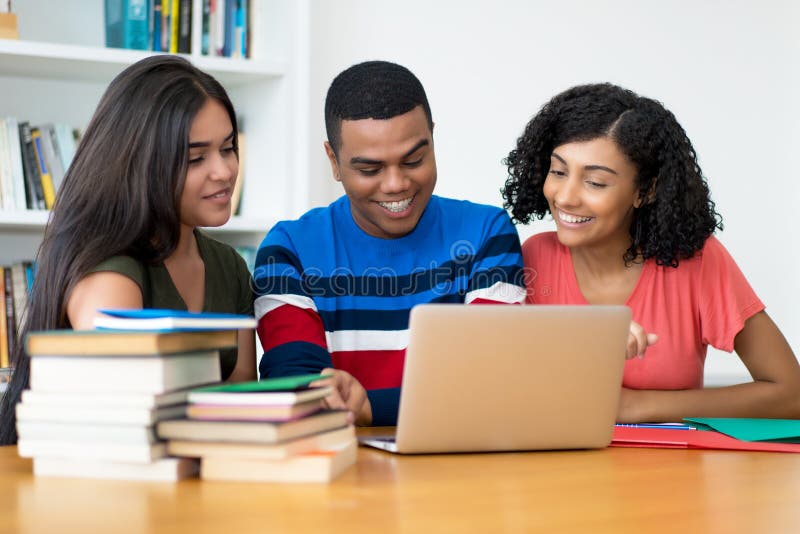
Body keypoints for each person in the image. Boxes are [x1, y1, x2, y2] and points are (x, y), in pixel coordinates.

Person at [502, 82, 800, 422]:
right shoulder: (534, 257)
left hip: (670, 471)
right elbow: (512, 388)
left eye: (595, 182)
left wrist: (634, 406)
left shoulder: (698, 261)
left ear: (645, 191)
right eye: (558, 171)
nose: (566, 197)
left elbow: (790, 393)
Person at [0, 55, 256, 445]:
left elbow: (242, 412)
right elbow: (120, 426)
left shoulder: (230, 265)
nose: (223, 171)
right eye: (195, 158)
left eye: (228, 148)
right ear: (142, 163)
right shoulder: (109, 270)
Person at [254, 60, 526, 426]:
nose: (396, 184)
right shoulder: (289, 249)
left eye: (414, 159)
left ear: (433, 140)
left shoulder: (487, 233)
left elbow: (490, 381)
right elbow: (296, 392)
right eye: (370, 169)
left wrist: (368, 407)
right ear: (333, 161)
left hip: (463, 471)